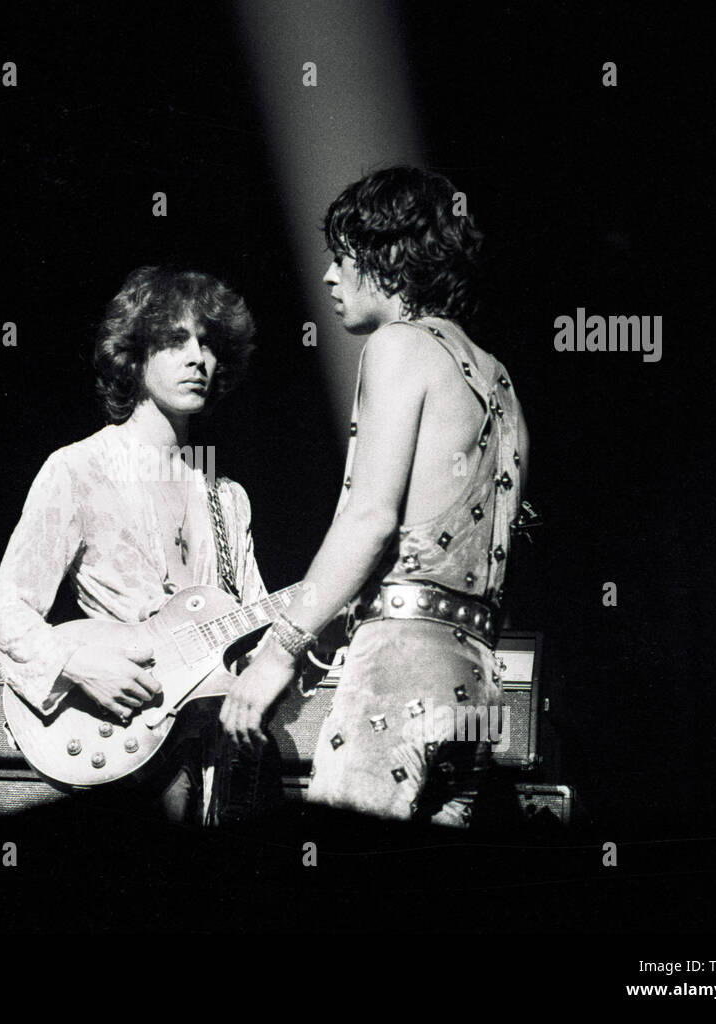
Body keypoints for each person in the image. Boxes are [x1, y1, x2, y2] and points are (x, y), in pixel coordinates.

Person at [221, 166, 530, 826]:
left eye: (341, 257)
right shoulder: (498, 382)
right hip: (475, 680)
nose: (330, 277)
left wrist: (279, 654)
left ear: (386, 259)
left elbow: (371, 520)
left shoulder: (398, 346)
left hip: (396, 671)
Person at [0, 266, 266, 824]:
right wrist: (79, 664)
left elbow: (254, 627)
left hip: (220, 756)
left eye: (208, 345)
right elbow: (4, 609)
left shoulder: (226, 497)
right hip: (131, 746)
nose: (197, 359)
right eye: (176, 340)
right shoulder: (79, 468)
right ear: (134, 357)